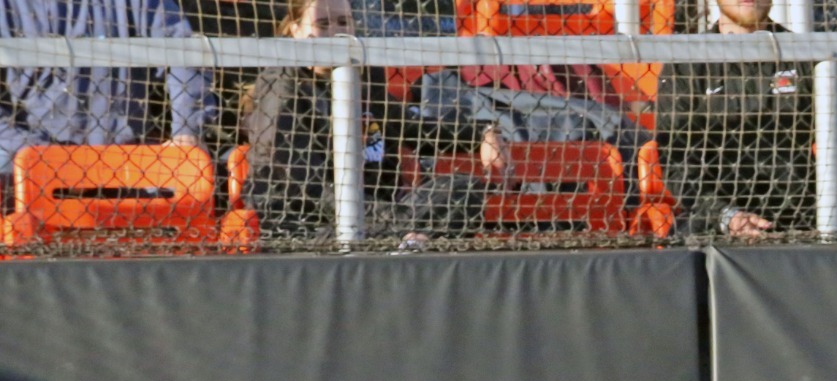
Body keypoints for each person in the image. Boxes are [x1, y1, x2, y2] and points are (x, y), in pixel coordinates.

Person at [240, 0, 501, 243]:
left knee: (464, 189)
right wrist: (387, 219)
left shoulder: (363, 74)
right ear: (296, 30)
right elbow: (310, 185)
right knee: (413, 222)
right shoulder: (279, 86)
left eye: (343, 23)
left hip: (377, 210)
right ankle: (404, 239)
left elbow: (409, 129)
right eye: (322, 24)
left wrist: (484, 132)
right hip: (304, 220)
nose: (335, 34)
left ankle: (403, 239)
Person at [653, 0, 837, 238]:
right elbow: (676, 163)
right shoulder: (686, 65)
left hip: (801, 219)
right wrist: (725, 216)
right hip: (712, 225)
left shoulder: (807, 56)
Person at [0, 0, 211, 206]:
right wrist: (50, 161)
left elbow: (186, 52)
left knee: (192, 183)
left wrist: (186, 131)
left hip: (129, 168)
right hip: (32, 171)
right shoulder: (7, 7)